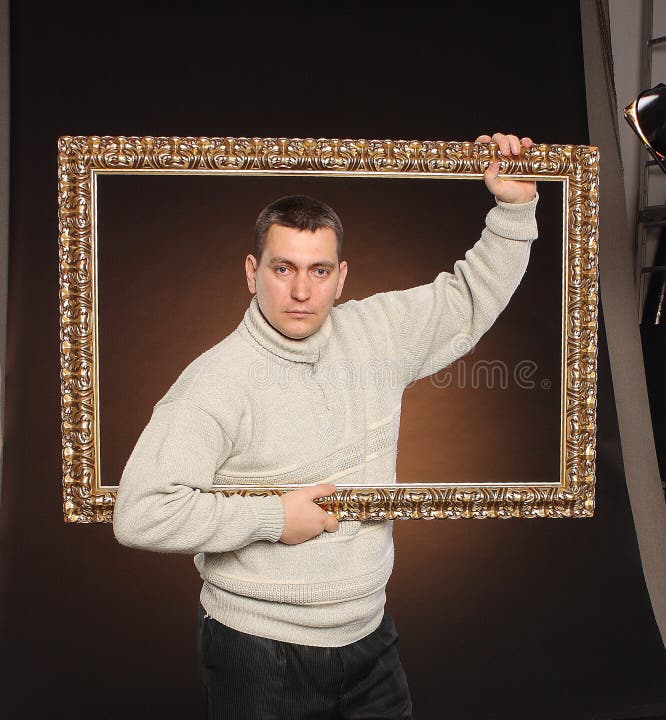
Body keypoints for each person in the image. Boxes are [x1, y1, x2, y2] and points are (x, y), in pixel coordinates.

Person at [112, 132, 539, 719]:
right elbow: (140, 512)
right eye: (282, 267)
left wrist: (513, 210)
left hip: (370, 638)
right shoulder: (215, 381)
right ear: (251, 271)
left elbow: (469, 299)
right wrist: (272, 517)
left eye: (318, 271)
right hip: (256, 648)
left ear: (342, 277)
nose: (301, 291)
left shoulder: (379, 333)